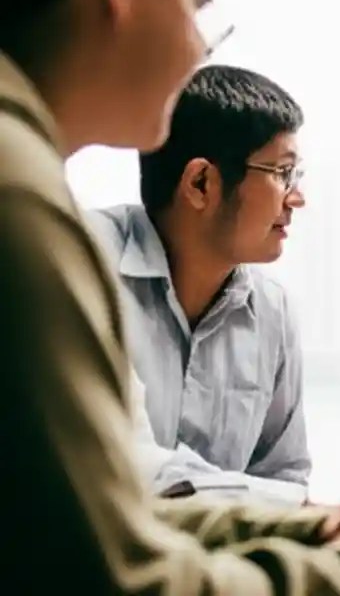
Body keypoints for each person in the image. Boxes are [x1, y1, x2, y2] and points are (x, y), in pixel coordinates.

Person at [0, 0, 340, 593]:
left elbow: (121, 511)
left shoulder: (27, 174)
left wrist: (315, 525)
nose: (195, 48)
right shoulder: (20, 195)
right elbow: (116, 573)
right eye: (197, 5)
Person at [87, 64, 311, 505]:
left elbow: (286, 478)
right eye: (282, 173)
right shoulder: (88, 262)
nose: (296, 198)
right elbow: (131, 473)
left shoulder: (272, 310)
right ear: (200, 183)